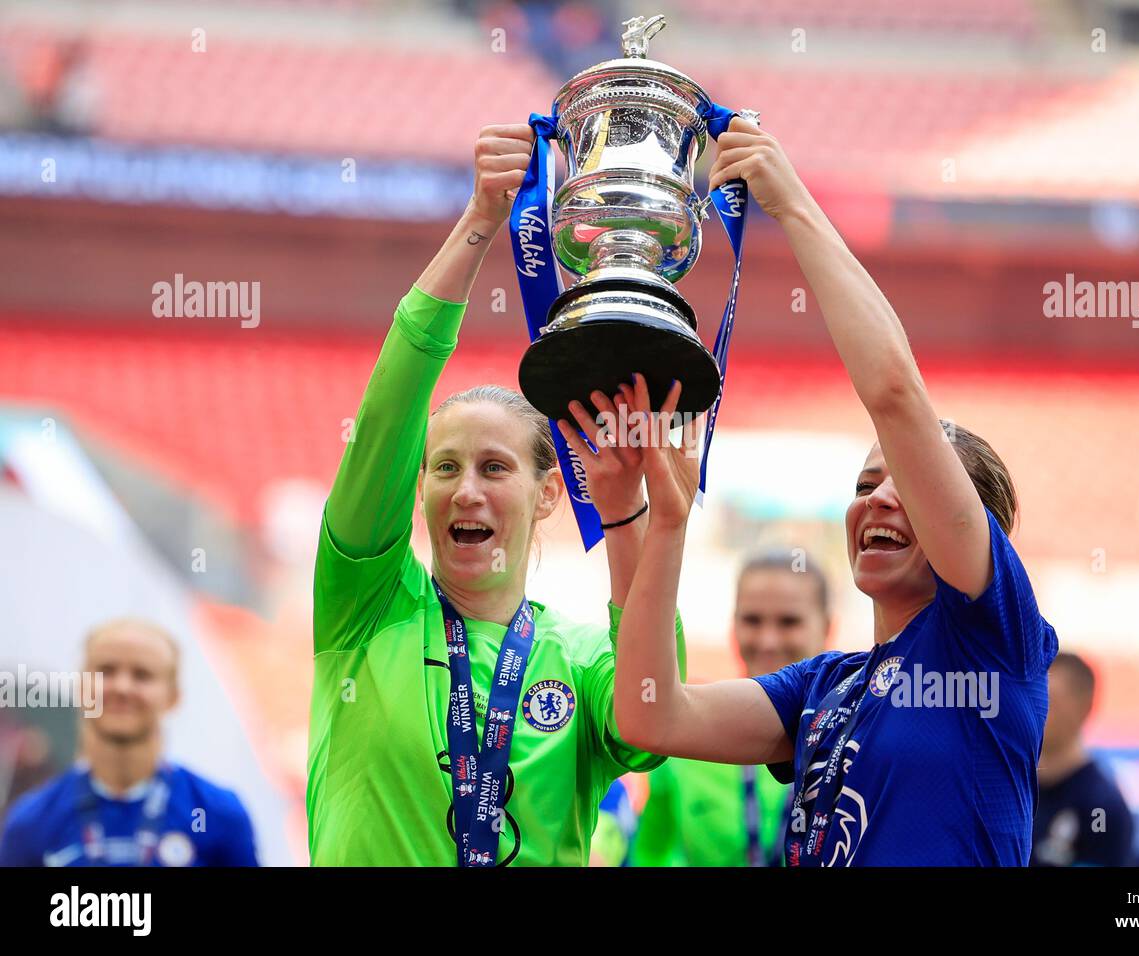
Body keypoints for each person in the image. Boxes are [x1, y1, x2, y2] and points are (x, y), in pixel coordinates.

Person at [608, 114, 1059, 866]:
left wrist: (792, 205)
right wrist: (665, 526)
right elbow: (650, 716)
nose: (876, 500)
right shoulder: (825, 688)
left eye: (904, 486)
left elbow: (894, 393)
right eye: (863, 484)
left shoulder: (990, 639)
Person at [307, 123, 685, 867]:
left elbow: (652, 721)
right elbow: (389, 413)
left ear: (548, 495)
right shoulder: (368, 603)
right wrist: (481, 221)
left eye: (494, 468)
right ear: (417, 489)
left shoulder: (578, 658)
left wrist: (627, 514)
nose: (466, 491)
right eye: (444, 468)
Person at [0, 619, 258, 867]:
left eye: (142, 675)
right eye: (106, 672)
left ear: (173, 696)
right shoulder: (31, 822)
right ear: (81, 688)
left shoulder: (217, 813)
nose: (122, 687)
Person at [631, 551, 832, 867]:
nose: (767, 640)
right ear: (733, 625)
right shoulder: (685, 736)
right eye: (752, 620)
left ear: (827, 627)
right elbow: (648, 855)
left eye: (788, 622)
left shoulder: (855, 735)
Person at [1031, 653, 1133, 866]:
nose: (1037, 710)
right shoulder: (1015, 789)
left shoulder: (1100, 806)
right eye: (1031, 698)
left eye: (1049, 700)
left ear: (1084, 708)